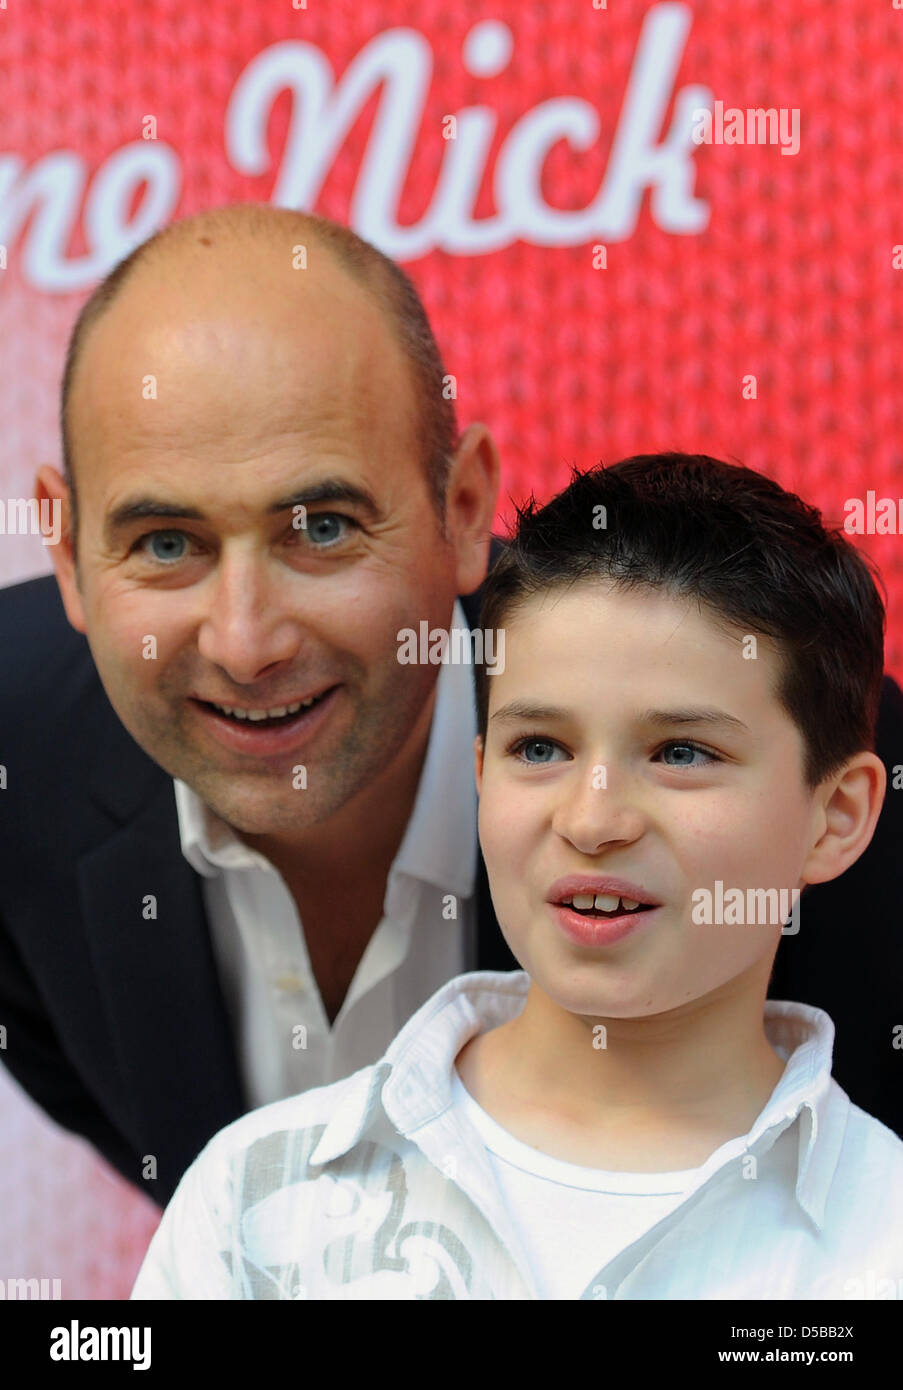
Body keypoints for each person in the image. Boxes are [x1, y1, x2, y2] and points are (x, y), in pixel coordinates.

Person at [131, 454, 903, 1300]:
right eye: (539, 749)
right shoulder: (255, 1201)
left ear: (836, 816)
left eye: (681, 753)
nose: (591, 819)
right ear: (480, 770)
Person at [0, 201, 508, 1208]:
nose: (244, 642)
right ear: (65, 552)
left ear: (461, 511)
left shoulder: (743, 737)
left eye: (321, 528)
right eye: (166, 544)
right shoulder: (14, 755)